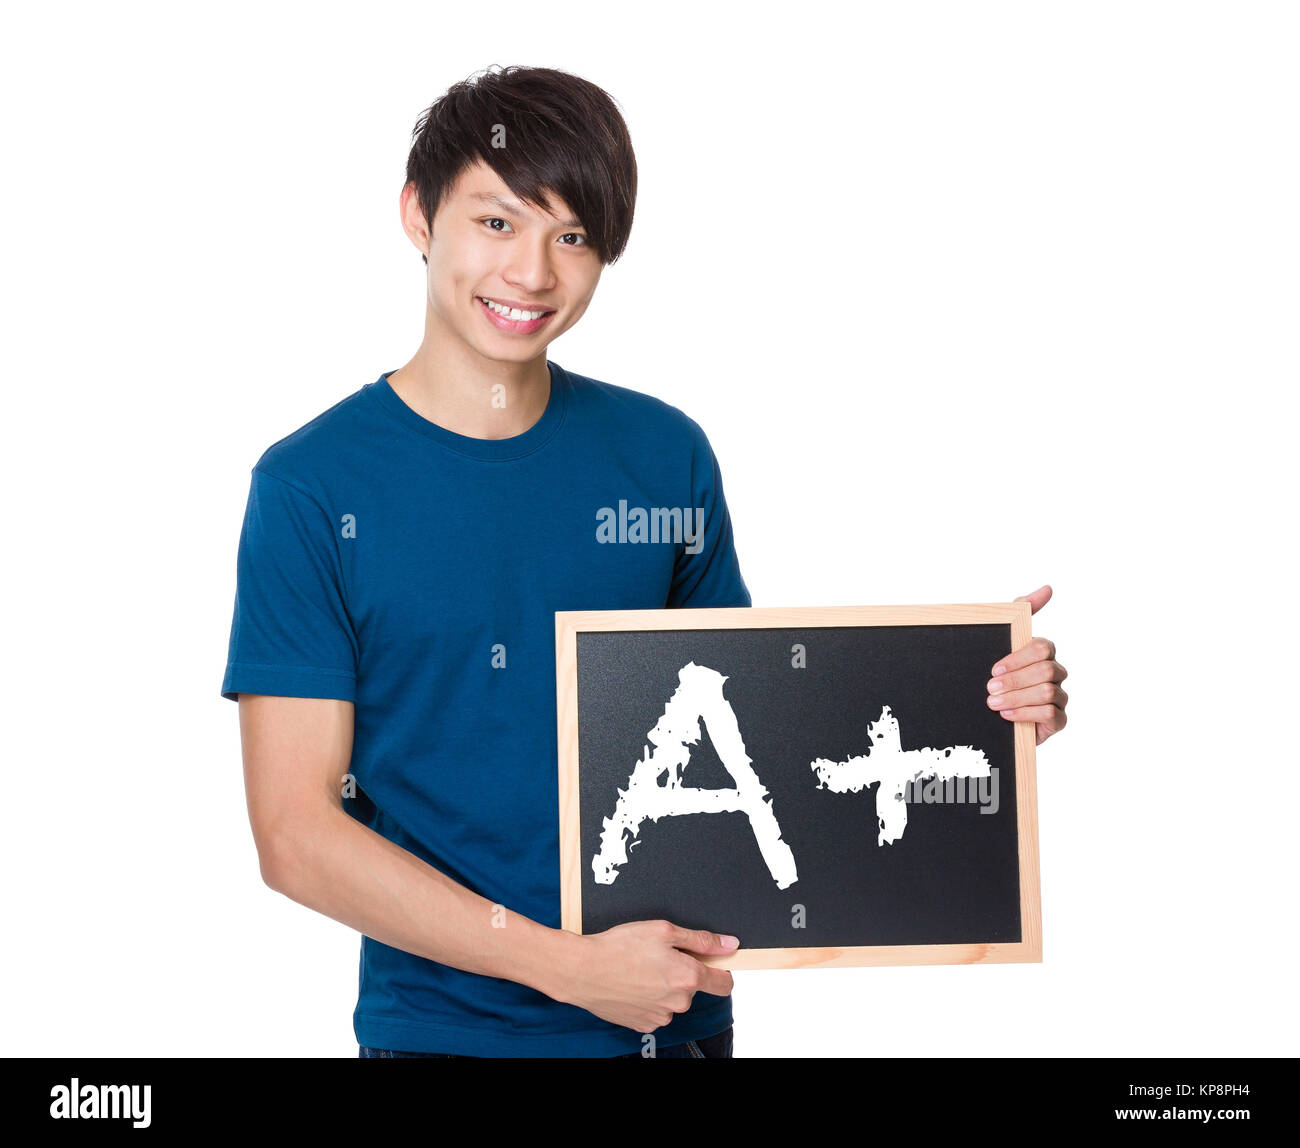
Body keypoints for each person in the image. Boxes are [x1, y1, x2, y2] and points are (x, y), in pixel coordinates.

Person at [220, 65, 1069, 1060]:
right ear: (418, 215)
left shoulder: (661, 454)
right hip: (451, 1037)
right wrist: (561, 964)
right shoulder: (312, 486)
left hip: (677, 1028)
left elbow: (752, 743)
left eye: (572, 235)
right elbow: (295, 832)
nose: (534, 271)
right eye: (497, 222)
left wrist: (974, 716)